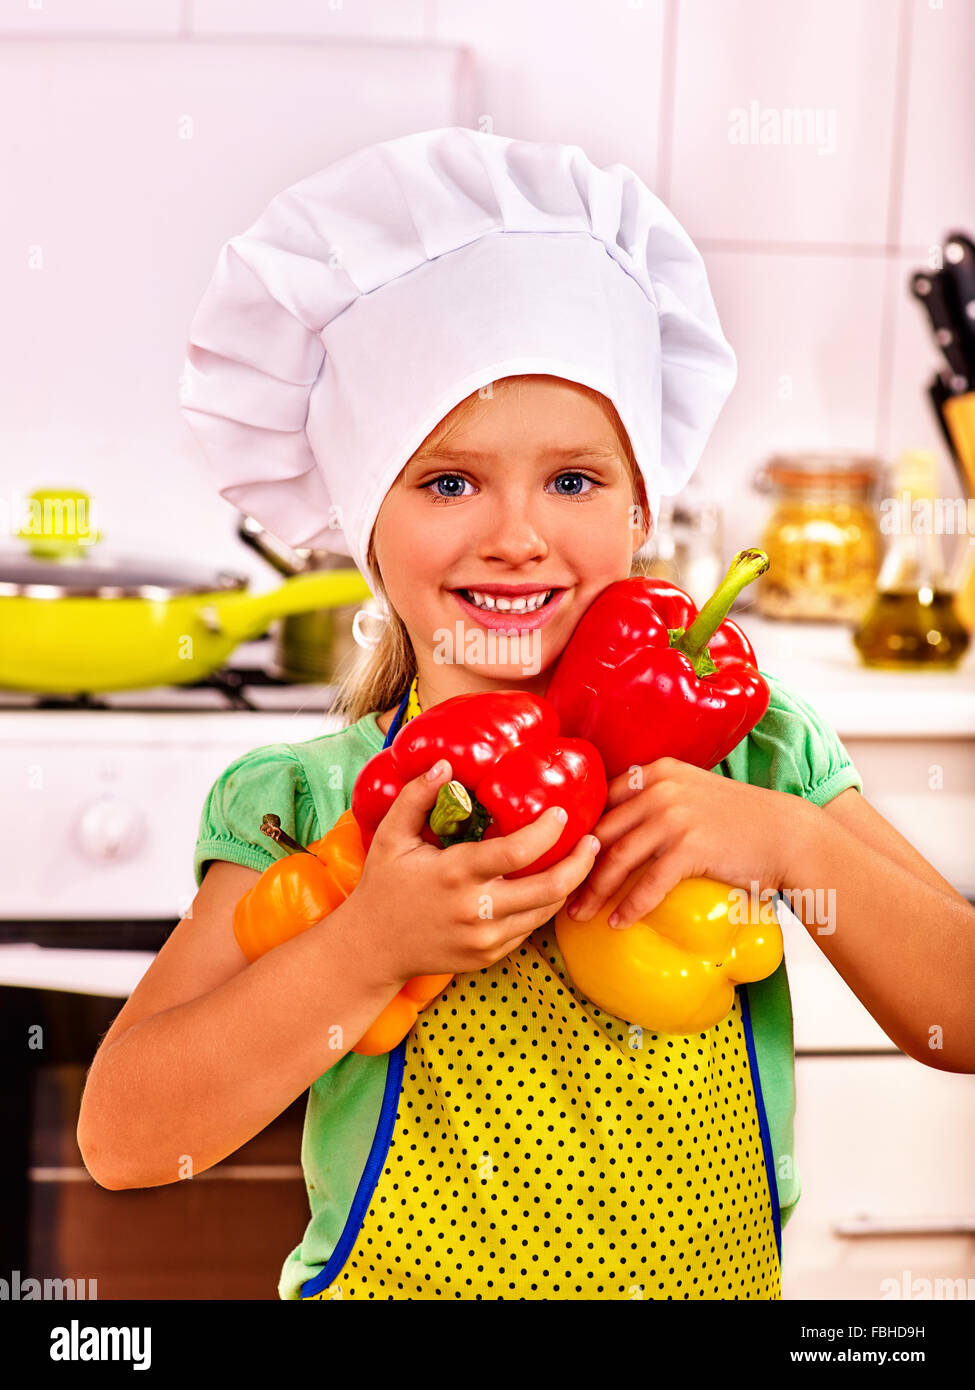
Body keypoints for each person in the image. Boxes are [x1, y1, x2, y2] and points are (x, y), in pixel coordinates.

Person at [77, 128, 975, 1302]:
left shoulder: (759, 758)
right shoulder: (310, 810)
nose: (516, 533)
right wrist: (366, 947)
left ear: (644, 504)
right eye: (448, 482)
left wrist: (792, 844)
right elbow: (129, 1138)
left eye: (574, 478)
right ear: (367, 521)